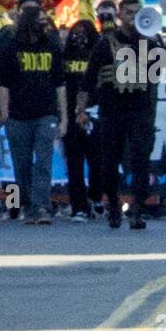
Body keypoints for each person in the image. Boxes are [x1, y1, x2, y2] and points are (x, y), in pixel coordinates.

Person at [82, 0, 162, 230]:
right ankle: (114, 206)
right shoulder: (105, 44)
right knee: (109, 163)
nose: (132, 17)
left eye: (136, 13)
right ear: (119, 14)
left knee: (140, 161)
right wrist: (81, 110)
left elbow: (161, 69)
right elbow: (88, 80)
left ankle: (137, 209)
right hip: (112, 111)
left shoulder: (149, 41)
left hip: (140, 110)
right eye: (128, 12)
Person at [0, 0, 65, 224]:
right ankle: (26, 205)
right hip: (17, 115)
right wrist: (4, 112)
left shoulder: (52, 46)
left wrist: (63, 117)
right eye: (37, 19)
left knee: (43, 161)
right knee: (22, 163)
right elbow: (3, 84)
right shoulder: (11, 48)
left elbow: (60, 84)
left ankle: (42, 206)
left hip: (46, 113)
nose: (42, 23)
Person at [61, 19, 102, 221]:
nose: (79, 37)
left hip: (94, 114)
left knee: (97, 161)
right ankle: (79, 206)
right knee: (74, 164)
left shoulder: (99, 55)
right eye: (75, 33)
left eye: (83, 32)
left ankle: (95, 196)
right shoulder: (64, 56)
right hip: (70, 115)